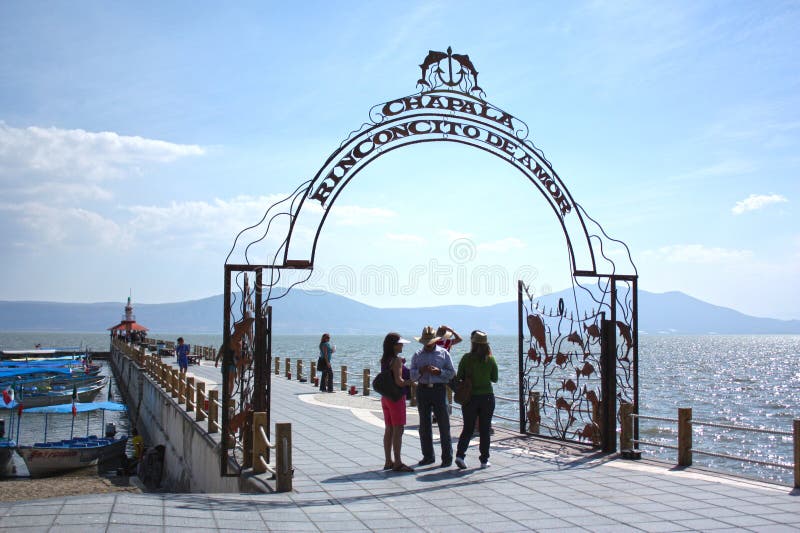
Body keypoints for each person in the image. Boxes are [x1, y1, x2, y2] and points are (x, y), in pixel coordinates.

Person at [410, 325, 456, 467]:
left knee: (444, 424)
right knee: (424, 425)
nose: (428, 345)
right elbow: (411, 375)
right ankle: (428, 456)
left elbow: (452, 373)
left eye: (429, 342)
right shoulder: (417, 355)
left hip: (439, 389)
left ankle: (447, 458)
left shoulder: (443, 353)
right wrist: (420, 371)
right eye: (426, 342)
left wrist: (439, 372)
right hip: (422, 390)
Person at [454, 330, 499, 470]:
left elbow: (459, 376)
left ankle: (460, 455)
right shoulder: (490, 359)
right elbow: (495, 378)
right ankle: (484, 460)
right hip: (487, 397)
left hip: (470, 398)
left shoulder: (466, 358)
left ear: (473, 343)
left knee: (467, 428)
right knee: (485, 429)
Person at [380, 332, 415, 472]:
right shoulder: (396, 361)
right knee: (398, 429)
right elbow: (399, 382)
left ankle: (388, 460)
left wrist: (401, 363)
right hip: (396, 398)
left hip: (386, 397)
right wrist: (412, 382)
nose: (402, 346)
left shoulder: (385, 359)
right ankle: (398, 462)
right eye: (400, 344)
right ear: (394, 346)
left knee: (389, 429)